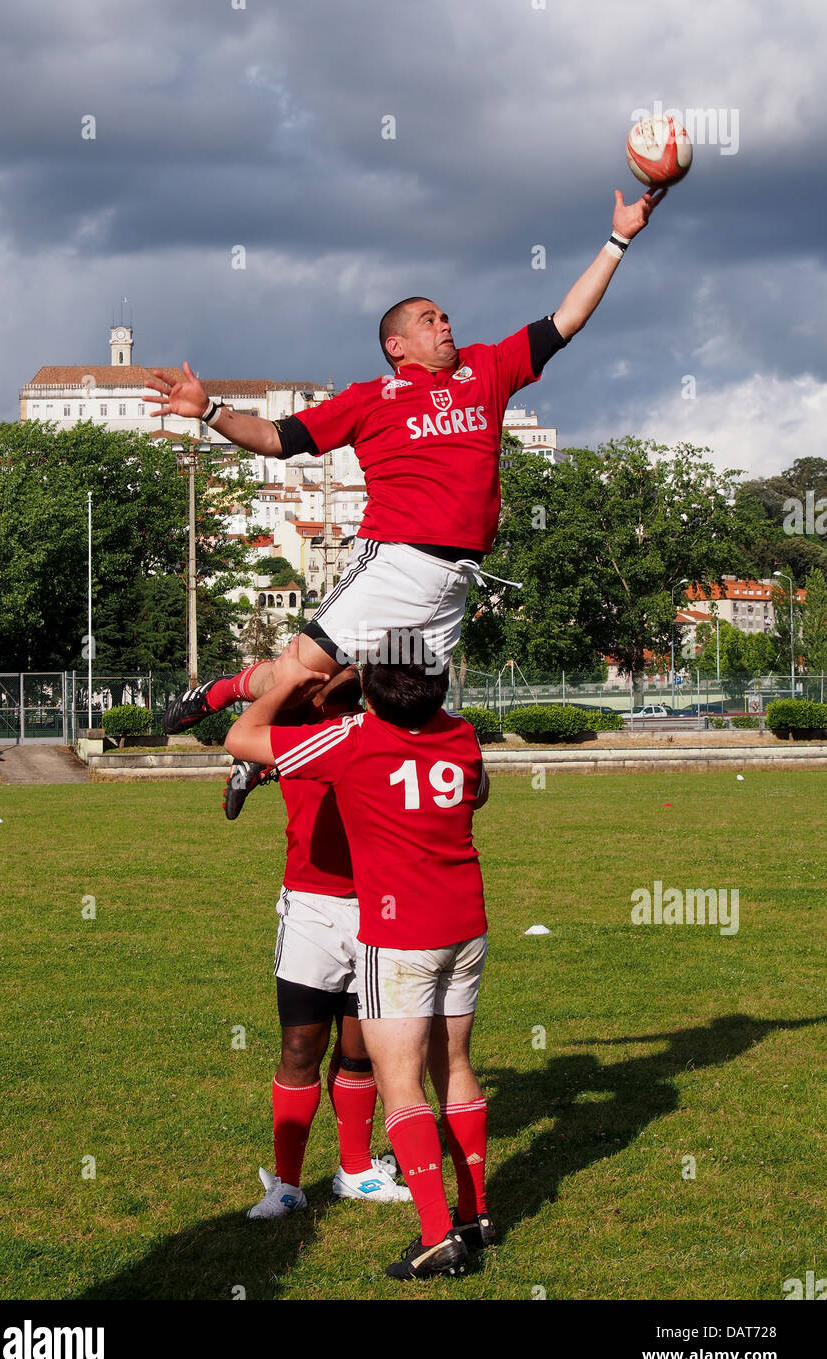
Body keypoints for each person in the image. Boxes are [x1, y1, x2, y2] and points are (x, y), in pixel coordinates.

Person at [145, 187, 666, 778]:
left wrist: (619, 239)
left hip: (457, 577)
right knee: (305, 676)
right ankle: (227, 697)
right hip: (398, 562)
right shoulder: (370, 399)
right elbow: (275, 439)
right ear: (397, 347)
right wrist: (211, 411)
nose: (445, 324)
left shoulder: (485, 368)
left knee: (402, 713)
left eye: (445, 316)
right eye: (429, 319)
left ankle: (280, 752)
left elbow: (566, 319)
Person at [225, 634, 492, 1281]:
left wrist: (289, 676)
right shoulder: (463, 737)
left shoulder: (355, 742)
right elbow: (478, 793)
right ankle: (476, 1216)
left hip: (399, 936)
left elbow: (243, 739)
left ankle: (437, 1236)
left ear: (371, 687)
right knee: (454, 1066)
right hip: (466, 924)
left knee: (400, 1083)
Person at [241, 664, 411, 1216]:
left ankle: (355, 1170)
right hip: (312, 909)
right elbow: (248, 722)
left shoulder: (374, 731)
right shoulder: (297, 735)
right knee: (299, 1048)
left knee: (360, 1052)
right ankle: (287, 1185)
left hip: (379, 907)